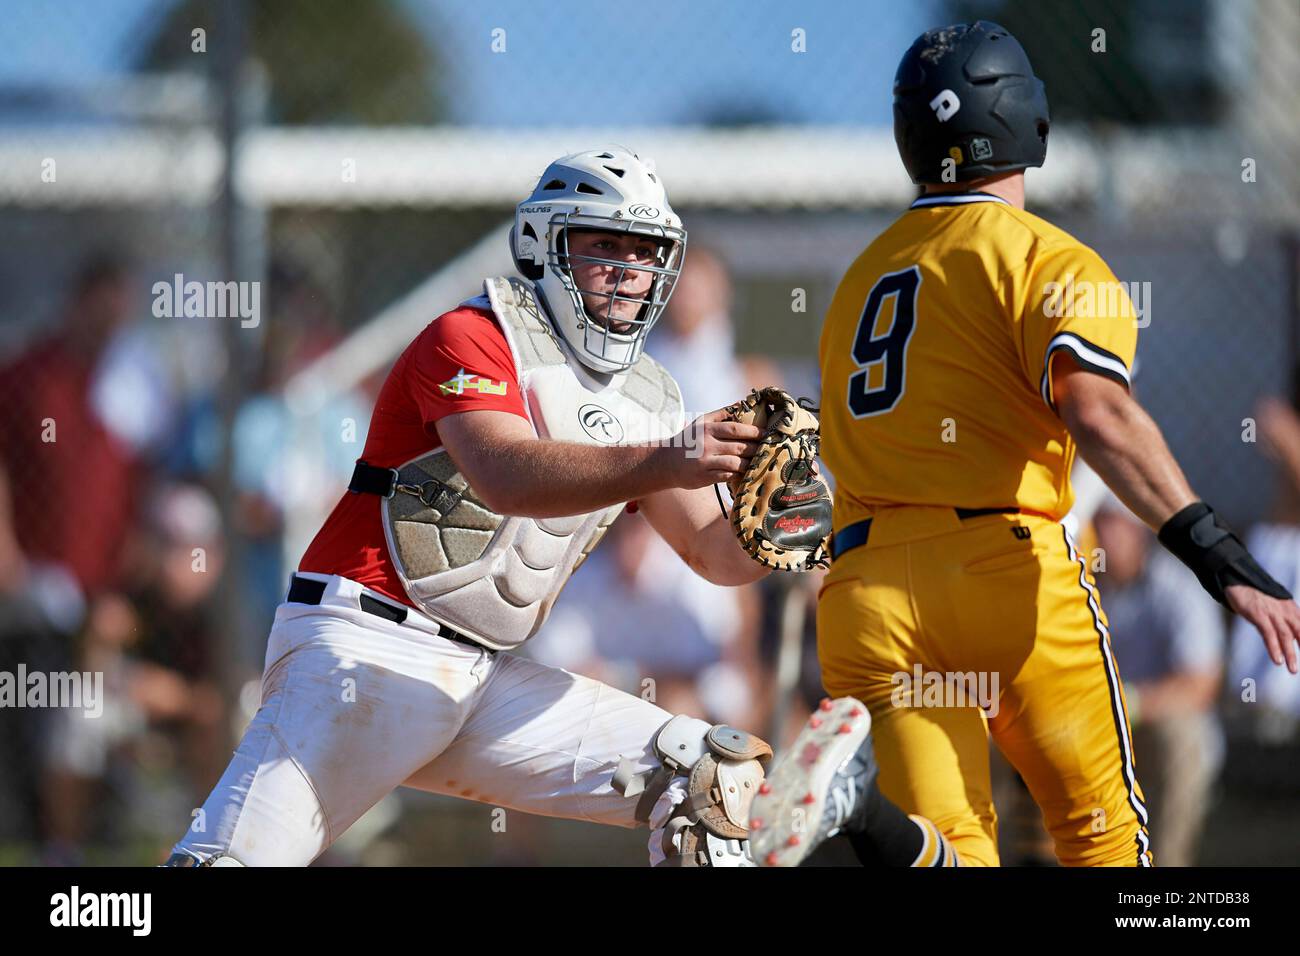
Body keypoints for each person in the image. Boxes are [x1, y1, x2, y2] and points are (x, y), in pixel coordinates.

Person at [750, 21, 1300, 868]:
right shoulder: (1051, 258)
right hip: (1004, 572)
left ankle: (874, 820)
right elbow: (1098, 412)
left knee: (957, 854)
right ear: (1025, 122)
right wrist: (1219, 555)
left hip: (867, 590)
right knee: (1103, 841)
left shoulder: (858, 281)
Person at [163, 146, 777, 868]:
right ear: (542, 245)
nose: (626, 267)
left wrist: (787, 522)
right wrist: (668, 459)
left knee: (711, 782)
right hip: (364, 652)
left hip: (484, 677)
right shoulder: (472, 334)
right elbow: (505, 473)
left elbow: (714, 553)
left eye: (644, 250)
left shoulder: (651, 399)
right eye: (602, 243)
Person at [1091, 497, 1225, 866]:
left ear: (1138, 530)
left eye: (1113, 524)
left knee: (1181, 736)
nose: (1103, 535)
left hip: (1152, 728)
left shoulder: (1178, 587)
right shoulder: (1081, 584)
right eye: (1097, 523)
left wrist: (1129, 703)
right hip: (1097, 732)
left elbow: (1201, 686)